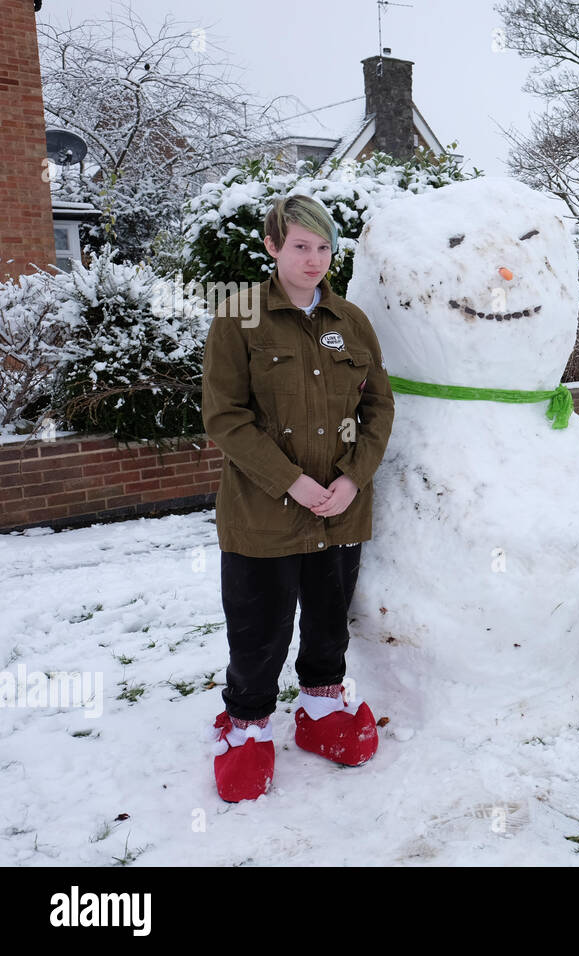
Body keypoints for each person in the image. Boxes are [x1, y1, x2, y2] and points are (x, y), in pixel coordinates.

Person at [201, 194, 395, 801]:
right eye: (300, 247)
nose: (314, 260)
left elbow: (378, 405)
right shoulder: (238, 317)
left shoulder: (352, 322)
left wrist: (353, 477)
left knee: (327, 621)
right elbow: (224, 417)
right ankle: (247, 726)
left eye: (323, 247)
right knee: (258, 631)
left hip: (340, 510)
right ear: (272, 248)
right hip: (263, 514)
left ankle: (321, 710)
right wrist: (292, 481)